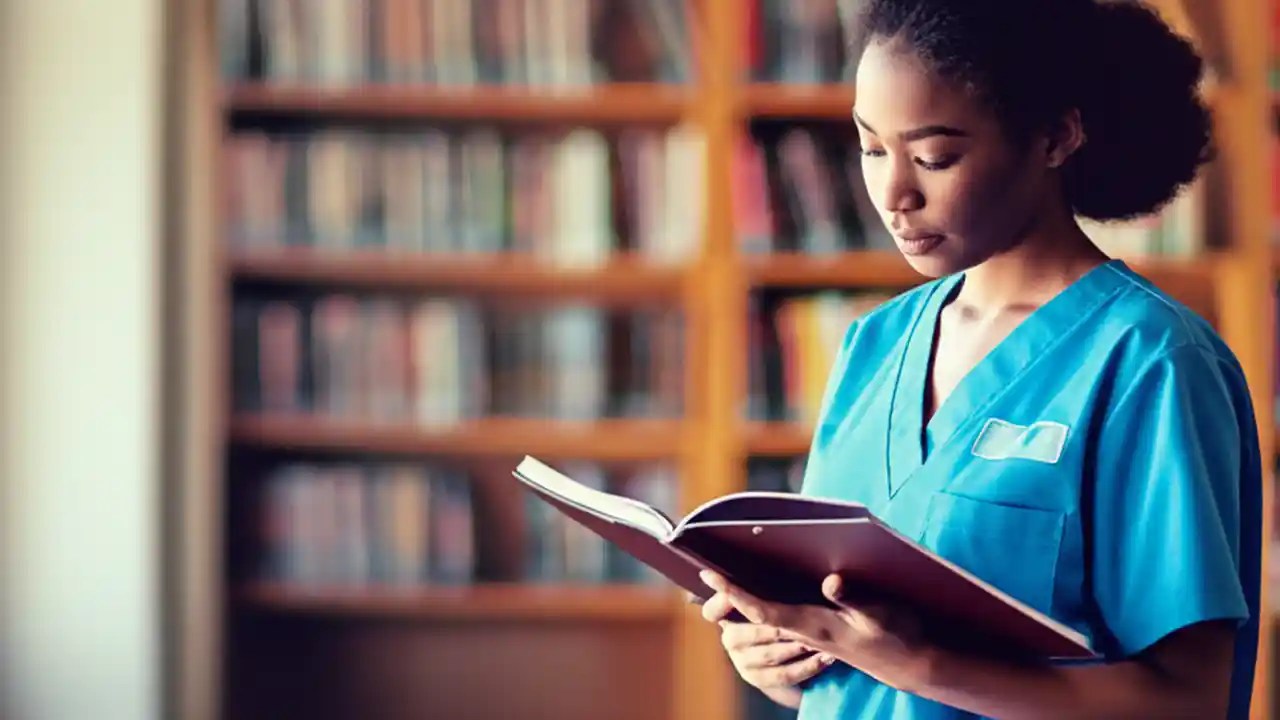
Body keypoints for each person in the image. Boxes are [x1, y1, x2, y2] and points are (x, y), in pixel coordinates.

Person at [698, 0, 1263, 718]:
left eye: (935, 157)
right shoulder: (872, 345)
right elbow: (841, 650)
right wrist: (777, 657)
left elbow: (1187, 703)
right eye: (872, 149)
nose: (895, 196)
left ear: (1056, 137)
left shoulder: (1151, 361)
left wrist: (924, 666)